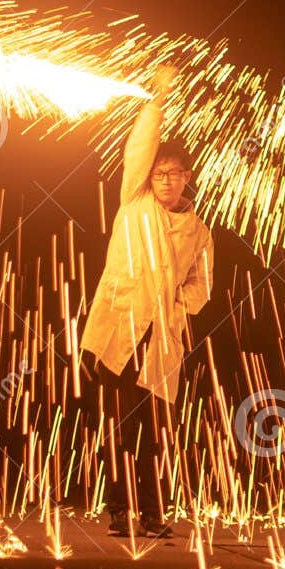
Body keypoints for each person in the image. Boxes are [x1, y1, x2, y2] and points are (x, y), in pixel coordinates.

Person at [80, 66, 214, 537]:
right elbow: (137, 148)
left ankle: (154, 512)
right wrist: (157, 100)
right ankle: (119, 510)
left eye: (174, 175)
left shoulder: (199, 231)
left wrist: (179, 307)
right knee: (118, 430)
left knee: (156, 434)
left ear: (186, 179)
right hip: (119, 331)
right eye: (159, 174)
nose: (165, 182)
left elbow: (202, 287)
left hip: (160, 341)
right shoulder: (134, 202)